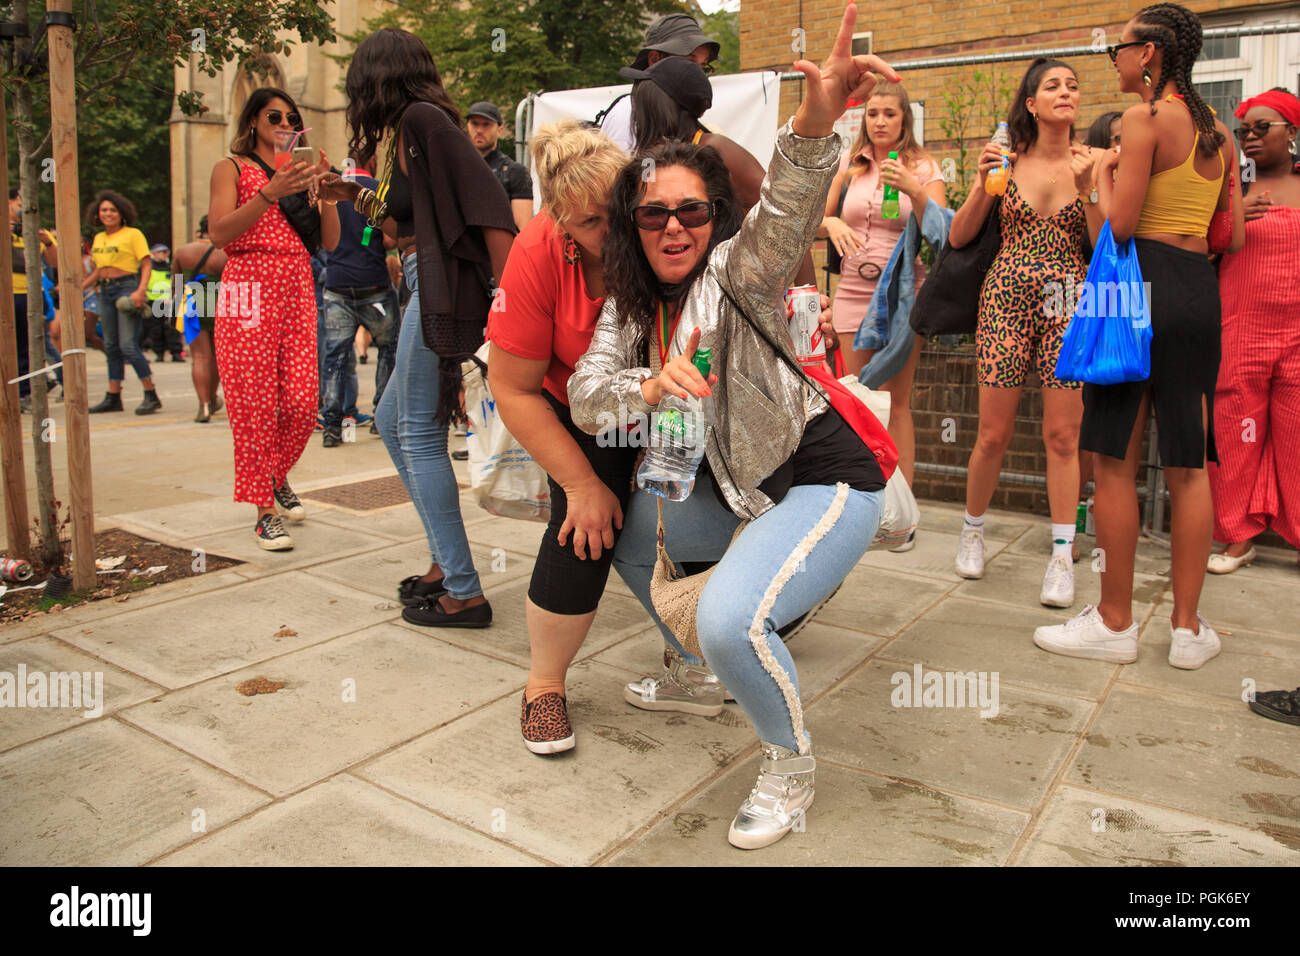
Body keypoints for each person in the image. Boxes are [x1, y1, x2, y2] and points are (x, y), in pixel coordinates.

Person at [570, 4, 900, 850]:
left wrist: (817, 119)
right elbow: (585, 394)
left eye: (692, 212)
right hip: (735, 484)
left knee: (729, 621)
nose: (674, 227)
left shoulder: (737, 274)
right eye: (653, 216)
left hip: (825, 476)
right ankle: (694, 673)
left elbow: (786, 205)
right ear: (632, 228)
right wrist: (646, 386)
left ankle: (788, 765)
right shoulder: (629, 308)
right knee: (627, 533)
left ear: (714, 218)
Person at [1034, 3, 1244, 669]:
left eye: (1119, 50)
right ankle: (1187, 630)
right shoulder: (1221, 133)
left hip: (1136, 291)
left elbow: (1115, 233)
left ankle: (1116, 623)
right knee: (1188, 466)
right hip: (1194, 294)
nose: (1116, 61)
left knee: (1115, 463)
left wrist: (1094, 181)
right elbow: (1230, 237)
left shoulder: (1144, 120)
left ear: (1150, 54)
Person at [318, 28, 515, 624]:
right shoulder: (410, 132)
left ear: (377, 77)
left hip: (444, 289)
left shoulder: (424, 121)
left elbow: (493, 210)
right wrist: (350, 194)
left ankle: (464, 591)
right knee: (389, 418)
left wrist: (508, 306)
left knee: (416, 428)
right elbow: (401, 223)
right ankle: (444, 559)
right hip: (425, 284)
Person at [486, 121, 646, 752]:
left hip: (675, 399)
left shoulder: (662, 220)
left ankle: (704, 644)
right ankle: (542, 687)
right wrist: (579, 483)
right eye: (588, 223)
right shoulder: (537, 252)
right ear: (560, 222)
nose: (611, 232)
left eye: (618, 212)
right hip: (582, 411)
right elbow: (513, 386)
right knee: (585, 529)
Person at [947, 58, 1103, 608]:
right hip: (1005, 297)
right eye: (1052, 86)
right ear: (1032, 104)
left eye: (1073, 85)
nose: (1066, 92)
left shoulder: (1095, 160)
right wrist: (983, 183)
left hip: (1069, 300)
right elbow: (961, 235)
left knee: (1064, 437)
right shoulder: (1006, 160)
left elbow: (1105, 243)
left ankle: (1062, 555)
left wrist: (1089, 189)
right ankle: (972, 530)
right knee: (993, 433)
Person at [208, 86, 339, 551]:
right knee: (255, 404)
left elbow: (328, 243)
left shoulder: (300, 175)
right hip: (248, 284)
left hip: (298, 285)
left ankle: (275, 475)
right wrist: (268, 193)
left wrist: (324, 194)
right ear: (252, 123)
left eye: (291, 118)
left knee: (304, 403)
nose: (284, 124)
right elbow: (220, 233)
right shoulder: (232, 168)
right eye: (274, 116)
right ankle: (265, 511)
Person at [819, 80, 946, 515]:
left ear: (904, 119)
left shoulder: (923, 166)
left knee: (897, 403)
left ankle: (902, 512)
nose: (879, 122)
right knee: (857, 399)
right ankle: (865, 508)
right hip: (853, 294)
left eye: (889, 114)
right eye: (872, 114)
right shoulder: (849, 166)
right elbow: (813, 220)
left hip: (903, 299)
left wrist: (913, 188)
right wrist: (830, 225)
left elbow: (944, 231)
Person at [1206, 89, 1300, 572]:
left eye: (1264, 128)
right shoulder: (1228, 190)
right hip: (1242, 328)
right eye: (1244, 131)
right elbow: (1201, 248)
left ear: (1293, 131)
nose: (1251, 138)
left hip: (1298, 336)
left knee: (1296, 435)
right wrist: (1234, 217)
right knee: (1235, 429)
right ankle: (1237, 537)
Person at [320, 153, 398, 447]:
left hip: (338, 283)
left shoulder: (332, 189)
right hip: (373, 283)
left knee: (336, 357)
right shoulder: (377, 188)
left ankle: (331, 425)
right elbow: (390, 240)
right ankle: (382, 415)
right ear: (374, 163)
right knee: (388, 350)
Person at [82, 190, 162, 415]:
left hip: (127, 288)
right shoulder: (99, 238)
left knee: (128, 345)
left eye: (112, 210)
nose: (108, 214)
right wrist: (79, 286)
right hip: (105, 291)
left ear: (122, 213)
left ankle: (151, 394)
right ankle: (113, 395)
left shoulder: (133, 234)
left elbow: (146, 264)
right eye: (104, 210)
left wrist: (140, 292)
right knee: (111, 345)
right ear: (98, 214)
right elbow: (99, 270)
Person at [598, 13, 719, 153]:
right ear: (655, 59)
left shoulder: (687, 113)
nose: (698, 73)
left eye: (703, 67)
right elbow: (617, 174)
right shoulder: (628, 113)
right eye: (690, 62)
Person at [8, 186, 59, 412]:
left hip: (30, 296)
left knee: (29, 347)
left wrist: (47, 240)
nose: (23, 208)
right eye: (19, 203)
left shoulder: (33, 231)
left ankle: (27, 394)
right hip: (7, 296)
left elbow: (56, 263)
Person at [173, 215, 226, 422]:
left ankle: (204, 406)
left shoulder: (184, 251)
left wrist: (177, 312)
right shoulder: (225, 252)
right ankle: (213, 398)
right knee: (217, 358)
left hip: (192, 304)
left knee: (201, 357)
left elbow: (176, 283)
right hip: (222, 304)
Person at [465, 102, 535, 232]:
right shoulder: (457, 169)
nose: (479, 130)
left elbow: (523, 230)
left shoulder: (515, 172)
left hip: (501, 247)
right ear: (468, 126)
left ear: (499, 129)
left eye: (486, 124)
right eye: (475, 123)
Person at [140, 243, 185, 362]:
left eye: (165, 252)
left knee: (173, 328)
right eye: (160, 252)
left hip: (170, 301)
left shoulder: (171, 267)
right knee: (156, 329)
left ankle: (176, 353)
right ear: (153, 254)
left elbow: (179, 281)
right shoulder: (148, 268)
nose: (163, 255)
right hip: (153, 301)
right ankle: (159, 353)